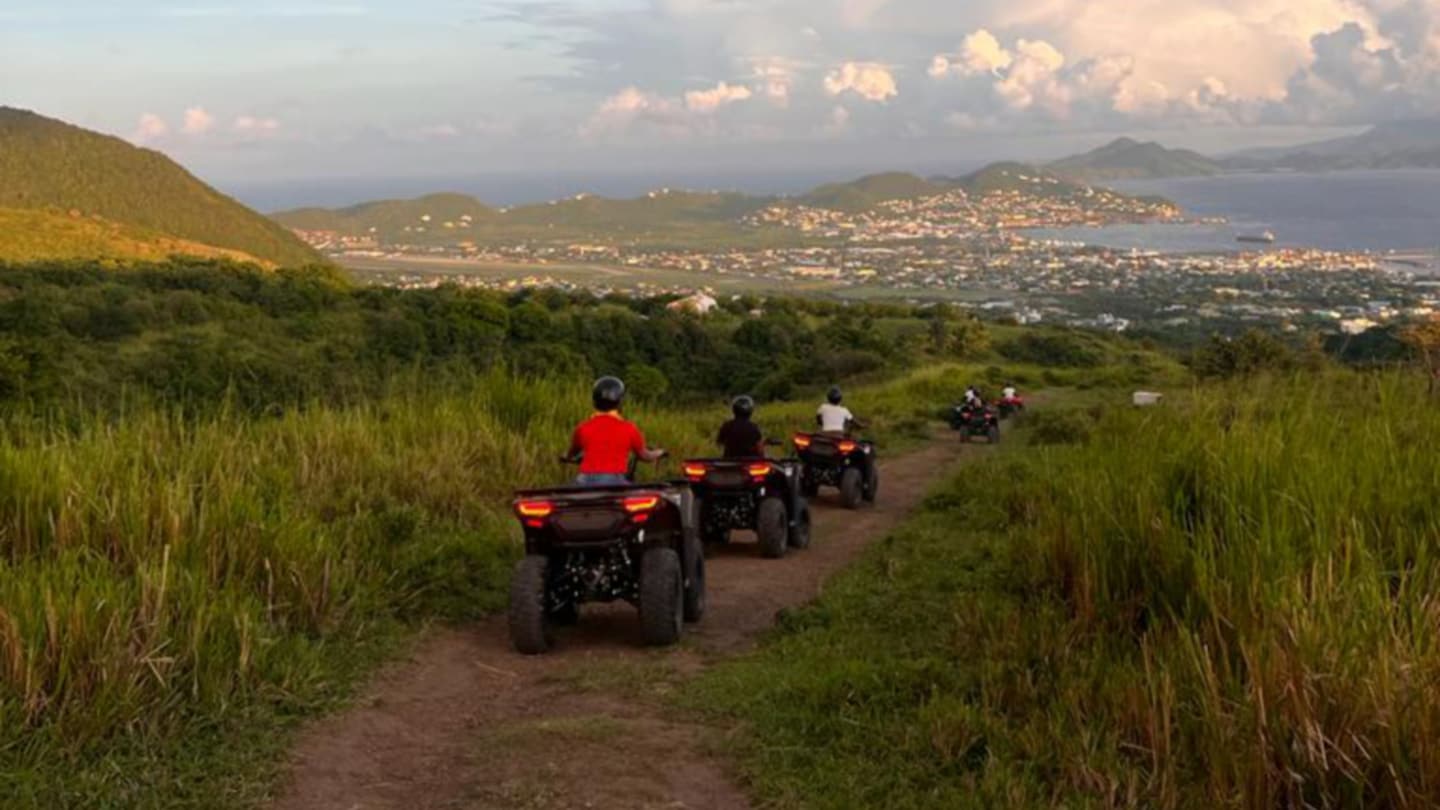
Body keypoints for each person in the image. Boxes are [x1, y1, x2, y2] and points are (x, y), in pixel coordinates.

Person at [566, 376, 665, 486]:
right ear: (619, 402)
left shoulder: (582, 428)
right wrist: (658, 453)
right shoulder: (629, 428)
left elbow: (571, 453)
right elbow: (644, 456)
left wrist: (567, 456)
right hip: (615, 481)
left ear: (594, 401)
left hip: (584, 480)